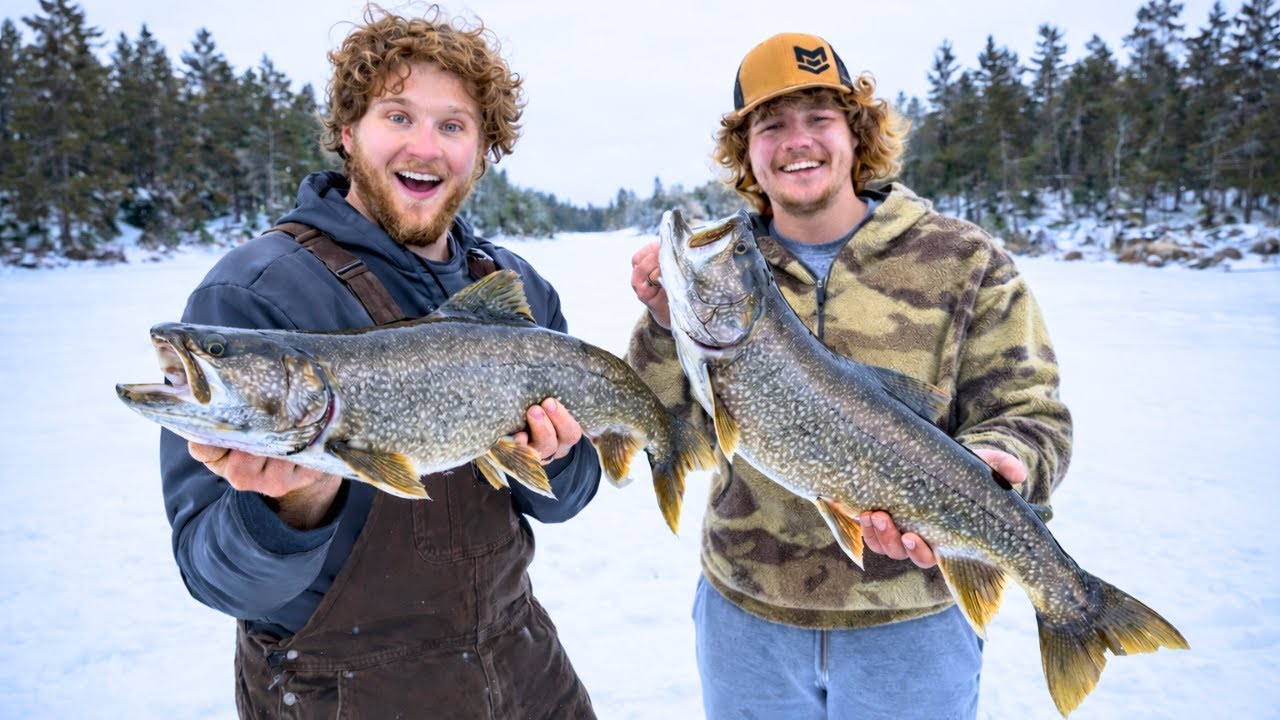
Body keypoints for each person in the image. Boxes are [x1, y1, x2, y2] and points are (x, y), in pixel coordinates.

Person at [159, 6, 599, 718]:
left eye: (453, 125)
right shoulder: (253, 295)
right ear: (347, 131)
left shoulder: (514, 288)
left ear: (482, 149)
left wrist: (557, 460)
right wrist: (290, 507)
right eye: (398, 116)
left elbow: (566, 502)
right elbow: (219, 580)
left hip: (525, 672)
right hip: (342, 693)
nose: (425, 146)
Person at [627, 32, 1073, 719]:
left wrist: (1000, 458)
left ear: (857, 132)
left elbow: (1031, 411)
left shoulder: (964, 259)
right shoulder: (721, 273)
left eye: (819, 118)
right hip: (747, 622)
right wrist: (663, 323)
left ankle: (1078, 612)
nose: (796, 141)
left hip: (916, 627)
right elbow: (661, 430)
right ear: (746, 152)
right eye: (771, 126)